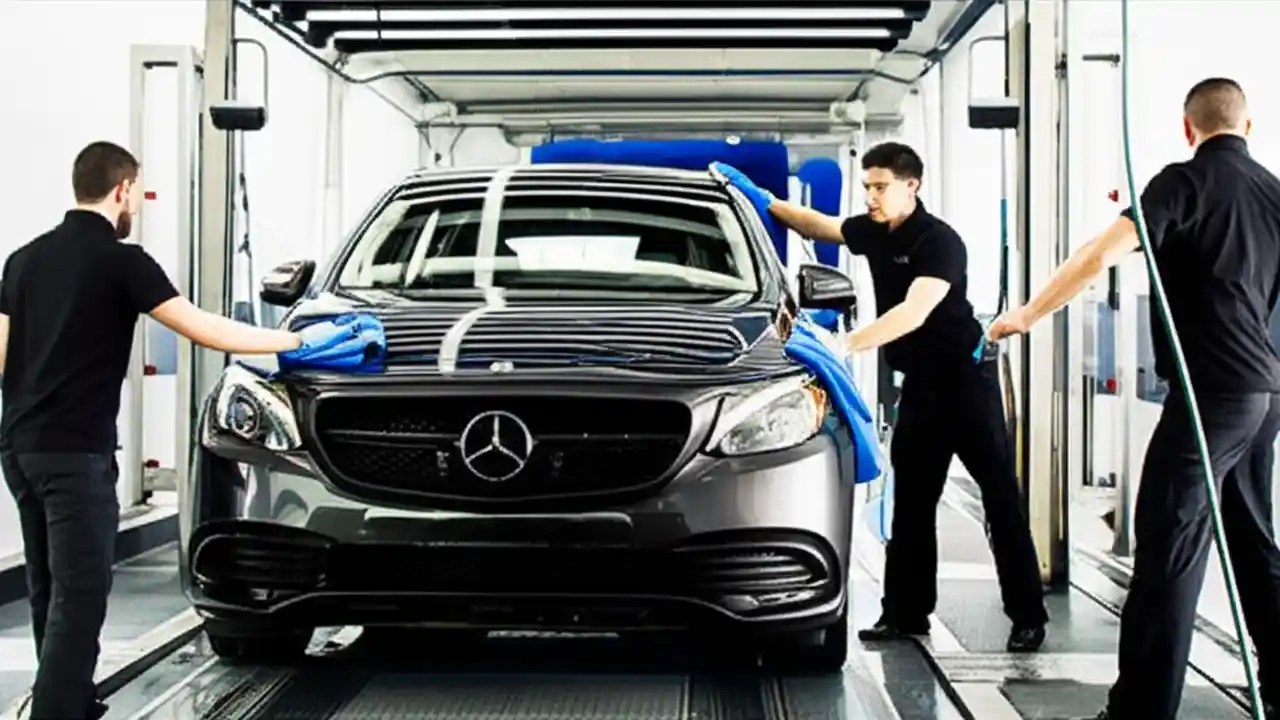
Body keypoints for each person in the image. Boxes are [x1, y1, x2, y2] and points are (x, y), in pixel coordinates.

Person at [989, 78, 1280, 720]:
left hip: (1209, 396)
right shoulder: (1272, 192)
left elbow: (1098, 258)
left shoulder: (1180, 181)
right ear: (1249, 128)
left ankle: (1141, 713)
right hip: (1263, 395)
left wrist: (1029, 315)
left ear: (1187, 128)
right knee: (1253, 541)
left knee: (1168, 552)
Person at [0, 141, 304, 720]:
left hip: (19, 446)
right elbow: (203, 329)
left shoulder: (23, 259)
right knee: (82, 592)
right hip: (77, 452)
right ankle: (57, 712)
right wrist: (293, 342)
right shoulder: (123, 261)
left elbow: (1, 353)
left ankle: (69, 697)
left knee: (47, 584)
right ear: (123, 190)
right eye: (137, 191)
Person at [713, 141, 1050, 653]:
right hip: (921, 388)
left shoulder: (941, 243)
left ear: (911, 185)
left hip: (966, 386)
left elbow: (914, 313)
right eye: (867, 186)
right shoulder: (873, 229)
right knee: (911, 507)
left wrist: (844, 344)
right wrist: (761, 198)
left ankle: (1028, 616)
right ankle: (906, 614)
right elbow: (818, 226)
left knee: (1001, 501)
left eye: (880, 187)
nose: (871, 196)